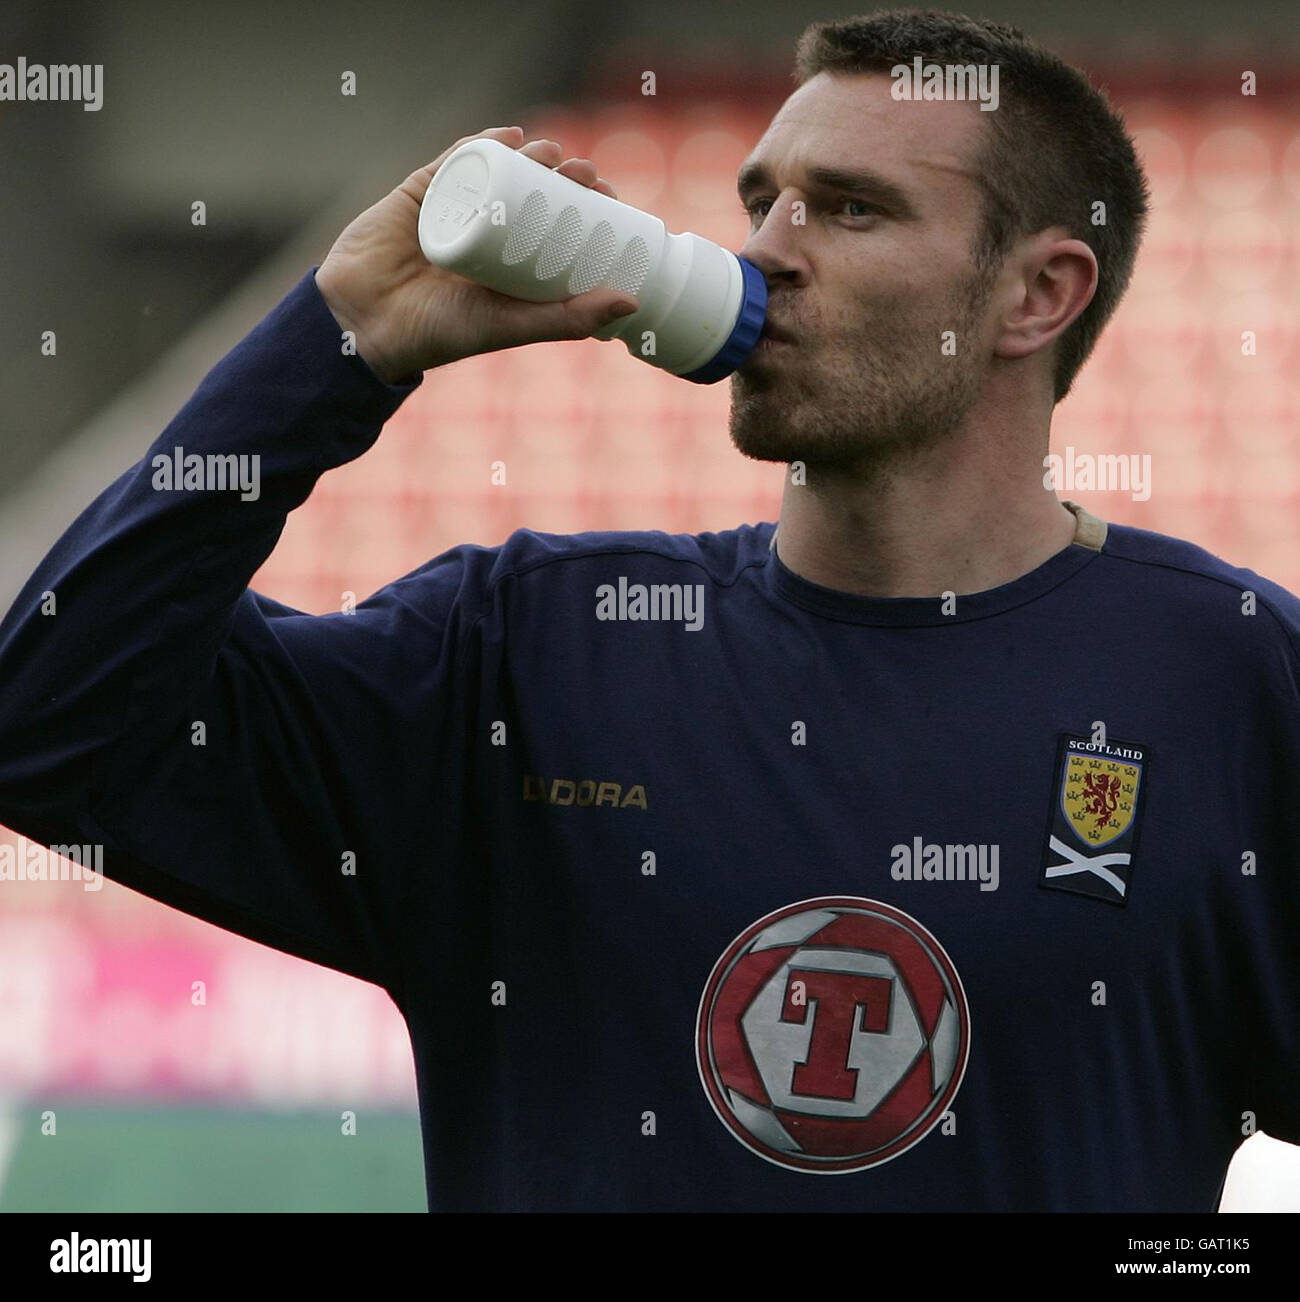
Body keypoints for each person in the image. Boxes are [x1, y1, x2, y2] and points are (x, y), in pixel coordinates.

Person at [0, 10, 1296, 1212]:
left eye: (849, 209)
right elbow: (44, 726)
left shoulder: (1231, 679)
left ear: (1038, 294)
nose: (768, 248)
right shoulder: (524, 652)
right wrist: (336, 343)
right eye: (761, 200)